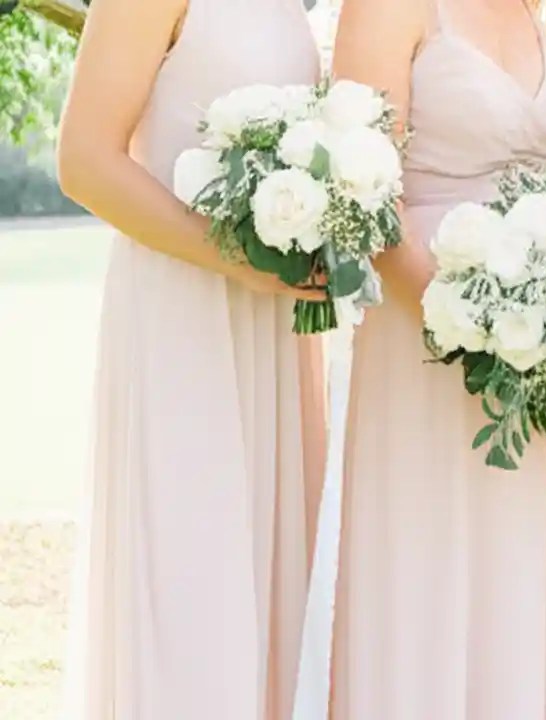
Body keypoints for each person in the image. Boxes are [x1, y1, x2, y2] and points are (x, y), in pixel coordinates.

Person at [56, 0, 326, 716]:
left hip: (272, 322)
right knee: (192, 570)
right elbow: (83, 160)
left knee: (268, 582)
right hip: (184, 311)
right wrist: (234, 258)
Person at [324, 1, 546, 718]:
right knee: (425, 571)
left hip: (541, 354)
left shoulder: (533, 8)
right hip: (425, 341)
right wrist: (472, 322)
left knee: (517, 577)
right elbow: (364, 197)